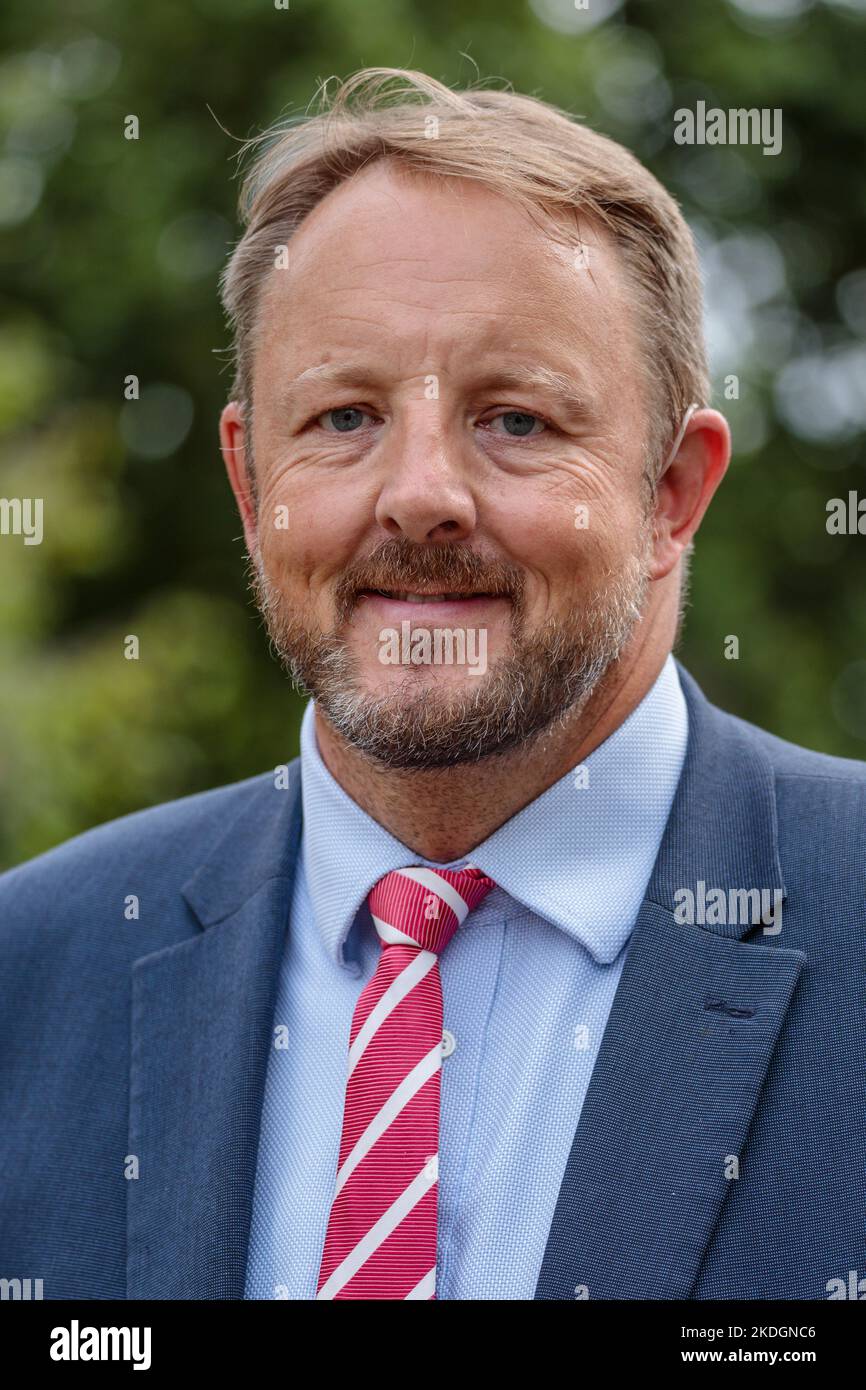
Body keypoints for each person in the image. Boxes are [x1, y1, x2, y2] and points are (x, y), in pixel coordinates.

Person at [1, 68, 864, 1302]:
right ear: (252, 490)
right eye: (343, 417)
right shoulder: (31, 973)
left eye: (513, 420)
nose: (418, 494)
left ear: (670, 492)